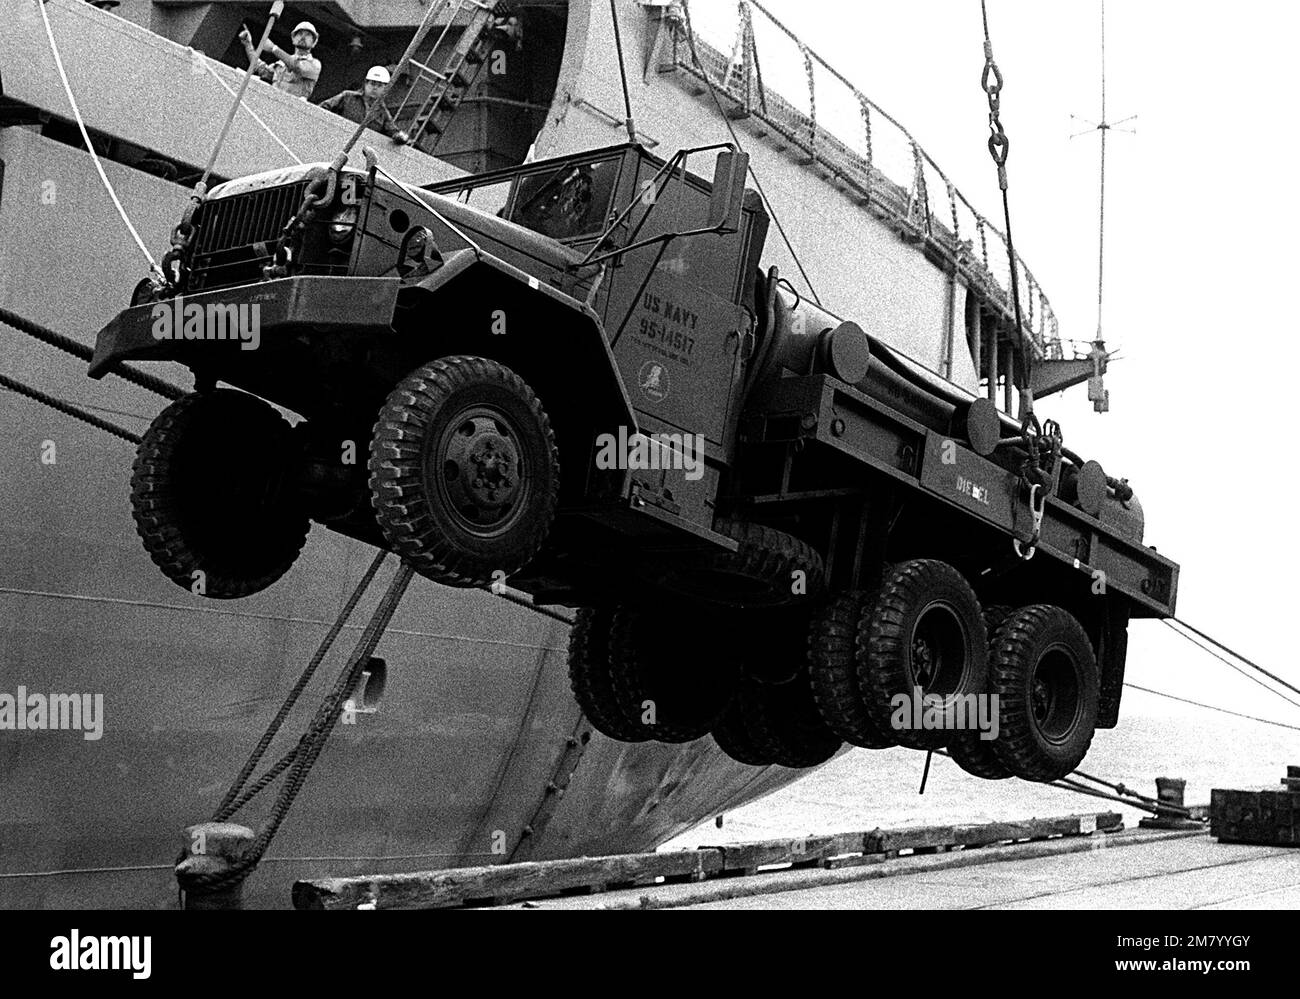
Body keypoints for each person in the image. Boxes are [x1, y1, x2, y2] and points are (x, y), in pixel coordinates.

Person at [319, 67, 410, 144]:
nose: (375, 88)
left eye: (379, 85)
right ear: (366, 83)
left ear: (384, 89)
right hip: (336, 139)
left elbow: (392, 131)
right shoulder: (347, 97)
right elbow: (323, 108)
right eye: (372, 83)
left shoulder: (382, 112)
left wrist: (402, 136)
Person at [238, 20, 322, 100]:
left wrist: (274, 48)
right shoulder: (282, 63)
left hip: (292, 109)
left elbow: (296, 66)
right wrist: (248, 45)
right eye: (300, 34)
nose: (303, 37)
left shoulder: (314, 64)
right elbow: (262, 70)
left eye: (307, 35)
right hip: (271, 102)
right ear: (293, 39)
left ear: (313, 42)